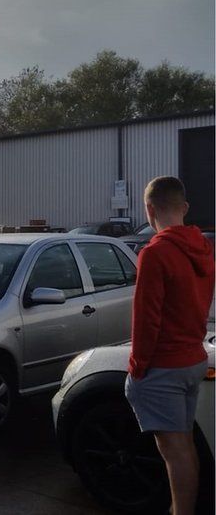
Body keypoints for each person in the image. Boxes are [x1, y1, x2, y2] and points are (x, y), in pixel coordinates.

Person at [125, 176, 215, 515]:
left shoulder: (155, 253)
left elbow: (146, 319)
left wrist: (137, 367)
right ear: (185, 207)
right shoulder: (205, 248)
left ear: (149, 210)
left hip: (165, 366)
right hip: (193, 359)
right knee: (185, 444)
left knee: (174, 451)